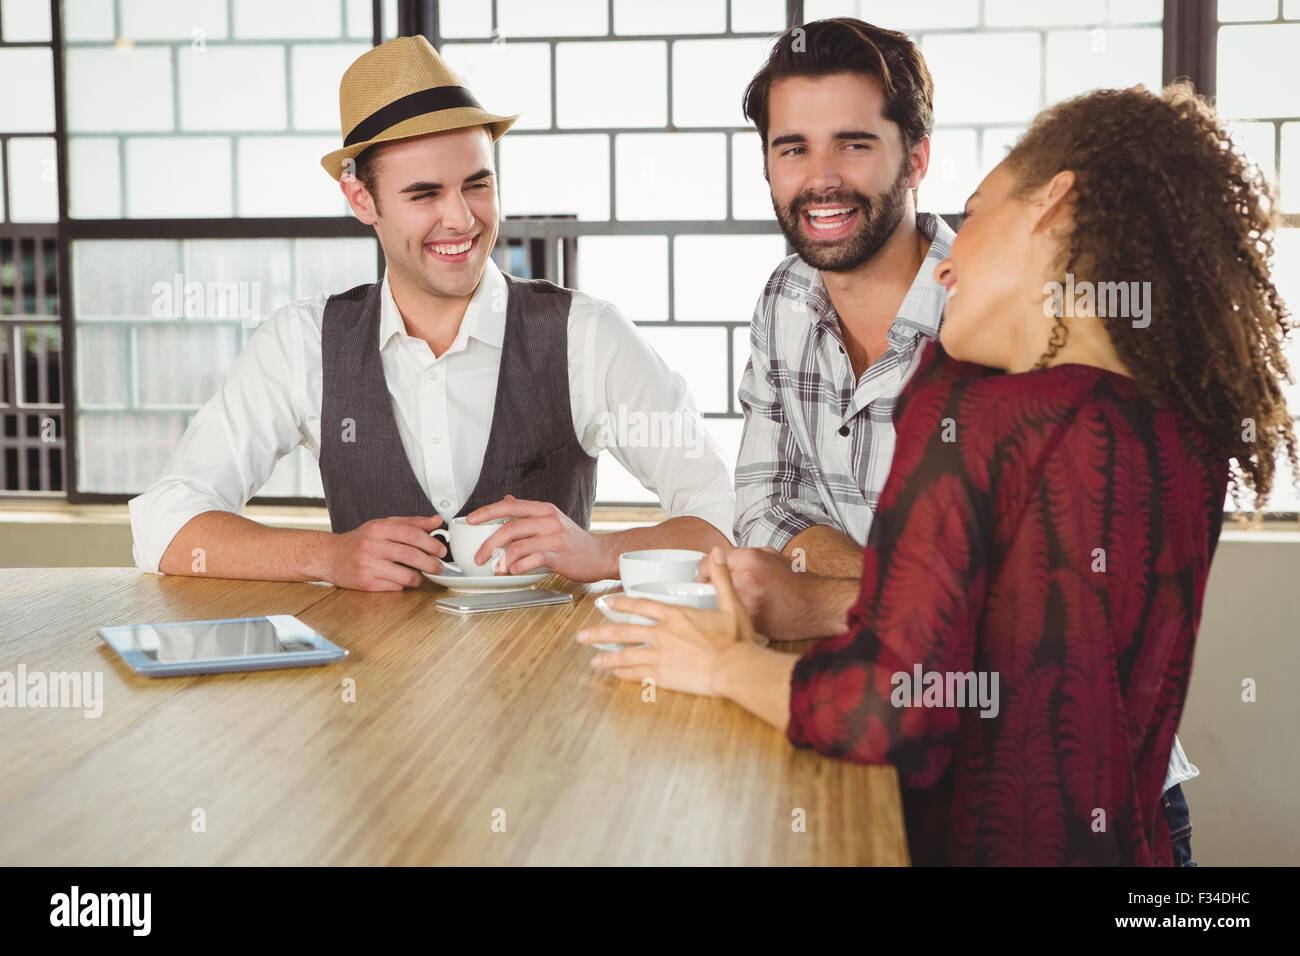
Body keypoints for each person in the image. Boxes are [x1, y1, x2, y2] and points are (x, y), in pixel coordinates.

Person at [581, 81, 1297, 864]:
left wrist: (721, 662)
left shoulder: (975, 410)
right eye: (791, 147)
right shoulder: (1182, 431)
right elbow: (1017, 659)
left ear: (1054, 206)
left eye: (979, 211)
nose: (951, 263)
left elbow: (893, 712)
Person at [723, 15, 1203, 862]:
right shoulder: (784, 300)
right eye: (792, 147)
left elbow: (1019, 640)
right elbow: (763, 507)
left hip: (1084, 804)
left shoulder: (1011, 323)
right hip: (901, 763)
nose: (821, 179)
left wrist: (820, 604)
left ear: (917, 158)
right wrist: (898, 606)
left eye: (854, 144)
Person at [129, 36, 735, 590]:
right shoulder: (303, 344)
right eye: (424, 194)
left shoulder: (586, 335)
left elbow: (727, 517)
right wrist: (330, 557)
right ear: (361, 198)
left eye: (477, 184)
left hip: (544, 687)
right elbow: (166, 524)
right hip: (371, 693)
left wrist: (602, 552)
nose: (462, 220)